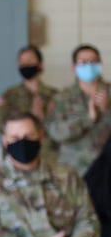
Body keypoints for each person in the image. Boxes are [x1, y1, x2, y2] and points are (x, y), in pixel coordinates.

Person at [45, 44, 111, 176]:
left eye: (93, 61)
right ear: (73, 67)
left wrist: (108, 109)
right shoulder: (61, 98)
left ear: (100, 64)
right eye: (83, 62)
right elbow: (56, 133)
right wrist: (88, 119)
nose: (88, 66)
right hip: (75, 171)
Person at [0, 45, 58, 158]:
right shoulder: (9, 95)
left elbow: (63, 129)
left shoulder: (54, 95)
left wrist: (44, 120)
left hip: (48, 154)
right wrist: (31, 120)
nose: (25, 65)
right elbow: (0, 124)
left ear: (40, 64)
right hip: (17, 154)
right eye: (21, 62)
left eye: (29, 61)